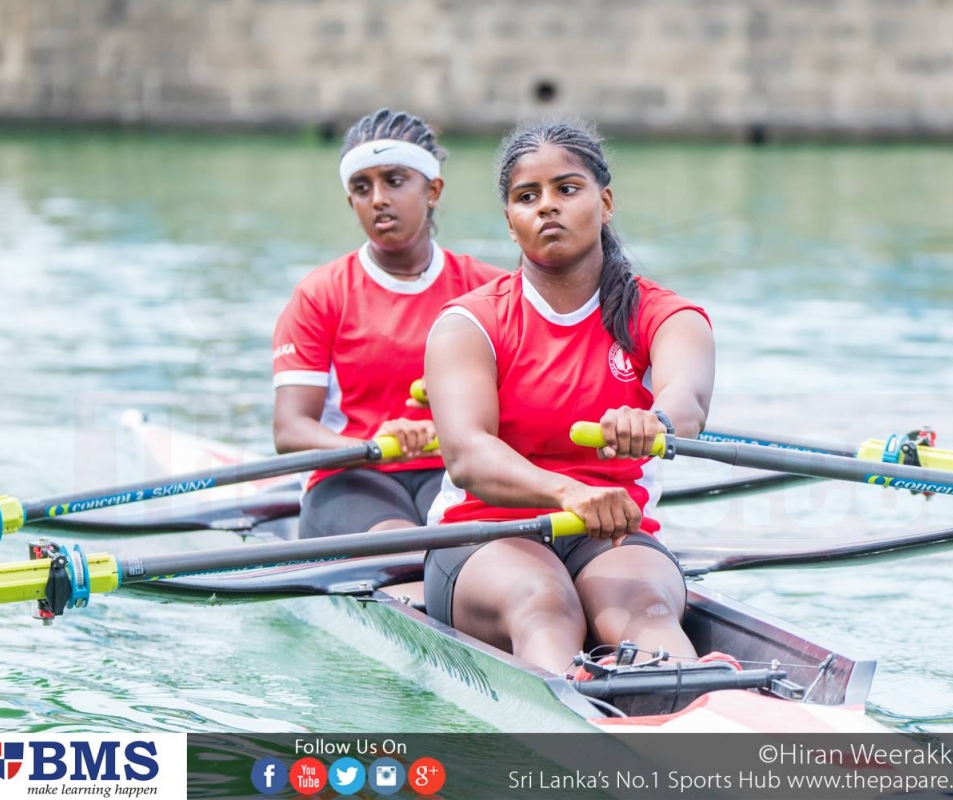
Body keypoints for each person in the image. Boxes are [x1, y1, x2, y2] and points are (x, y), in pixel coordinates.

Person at [422, 120, 716, 673]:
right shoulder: (468, 324)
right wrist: (568, 492)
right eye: (526, 197)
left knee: (645, 611)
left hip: (612, 530)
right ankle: (574, 730)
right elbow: (466, 455)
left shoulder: (665, 315)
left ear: (604, 203)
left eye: (567, 189)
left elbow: (688, 402)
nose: (546, 207)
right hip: (486, 532)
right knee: (546, 604)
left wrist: (656, 422)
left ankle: (701, 709)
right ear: (511, 225)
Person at [272, 109, 505, 539]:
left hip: (458, 469)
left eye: (394, 181)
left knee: (498, 550)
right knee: (406, 548)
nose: (378, 198)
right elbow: (290, 430)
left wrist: (446, 431)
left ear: (433, 189)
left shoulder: (490, 289)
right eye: (362, 188)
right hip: (352, 475)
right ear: (351, 202)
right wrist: (374, 446)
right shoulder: (321, 293)